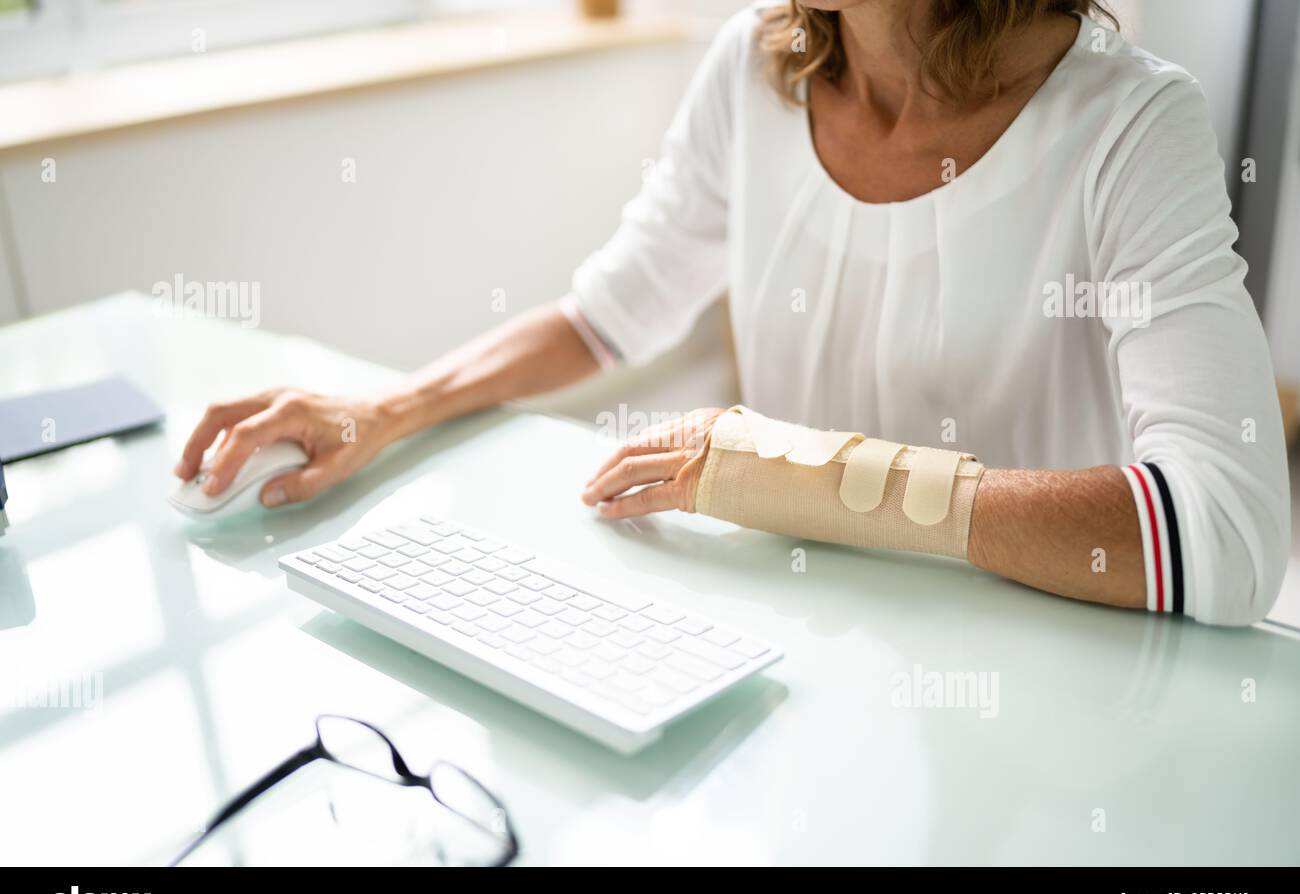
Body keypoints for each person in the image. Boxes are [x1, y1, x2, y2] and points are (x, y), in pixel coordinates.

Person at [175, 1, 1289, 626]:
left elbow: (1226, 534)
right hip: (795, 627)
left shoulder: (1129, 121)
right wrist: (387, 406)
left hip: (1036, 647)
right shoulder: (756, 70)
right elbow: (611, 311)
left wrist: (804, 479)